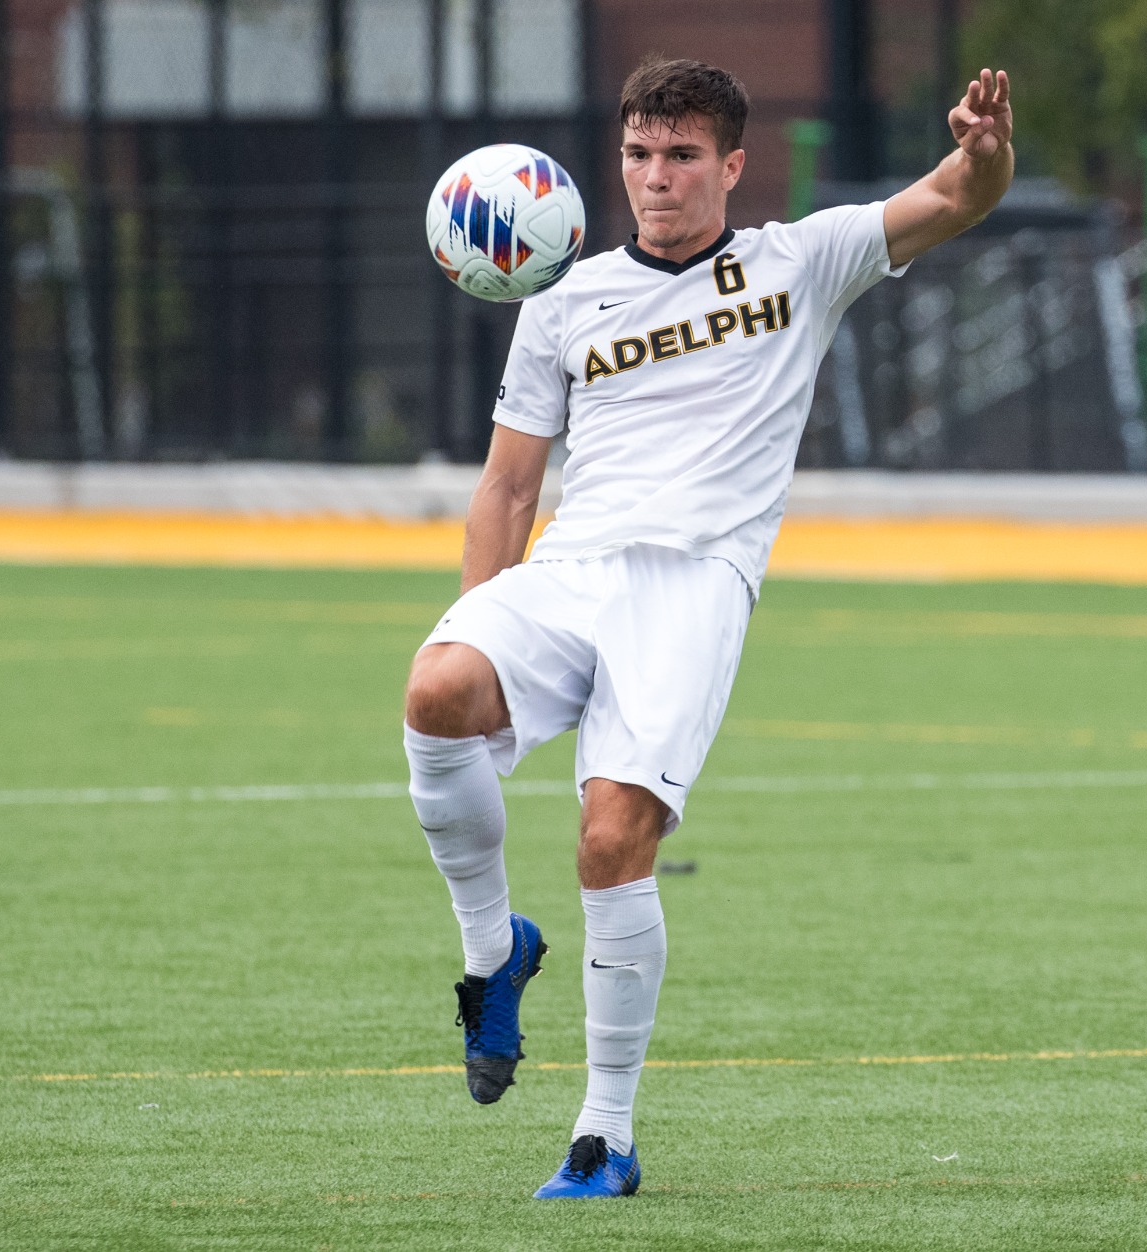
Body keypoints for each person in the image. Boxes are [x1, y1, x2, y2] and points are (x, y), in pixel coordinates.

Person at [403, 55, 1015, 1200]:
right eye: (638, 154)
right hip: (573, 570)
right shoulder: (561, 298)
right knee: (435, 691)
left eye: (682, 156)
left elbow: (953, 199)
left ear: (734, 165)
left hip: (691, 588)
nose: (655, 177)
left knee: (608, 844)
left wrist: (982, 151)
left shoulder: (798, 261)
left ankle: (602, 1134)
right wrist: (478, 613)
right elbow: (504, 489)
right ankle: (493, 951)